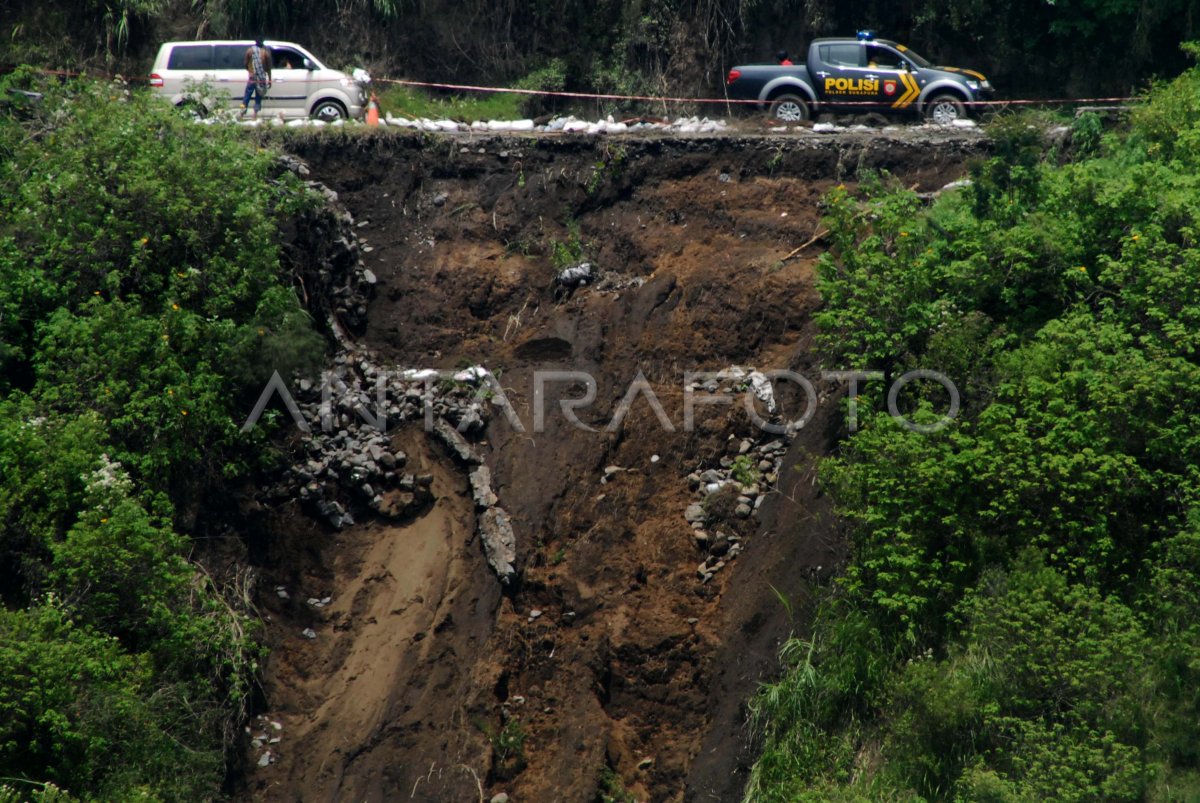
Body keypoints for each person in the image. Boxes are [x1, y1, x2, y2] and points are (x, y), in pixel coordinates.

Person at [240, 38, 273, 120]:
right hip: (261, 78)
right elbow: (268, 68)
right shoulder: (266, 53)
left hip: (252, 77)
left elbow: (245, 64)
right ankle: (254, 116)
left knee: (247, 96)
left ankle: (242, 115)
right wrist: (269, 79)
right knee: (258, 97)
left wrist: (250, 71)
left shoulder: (250, 51)